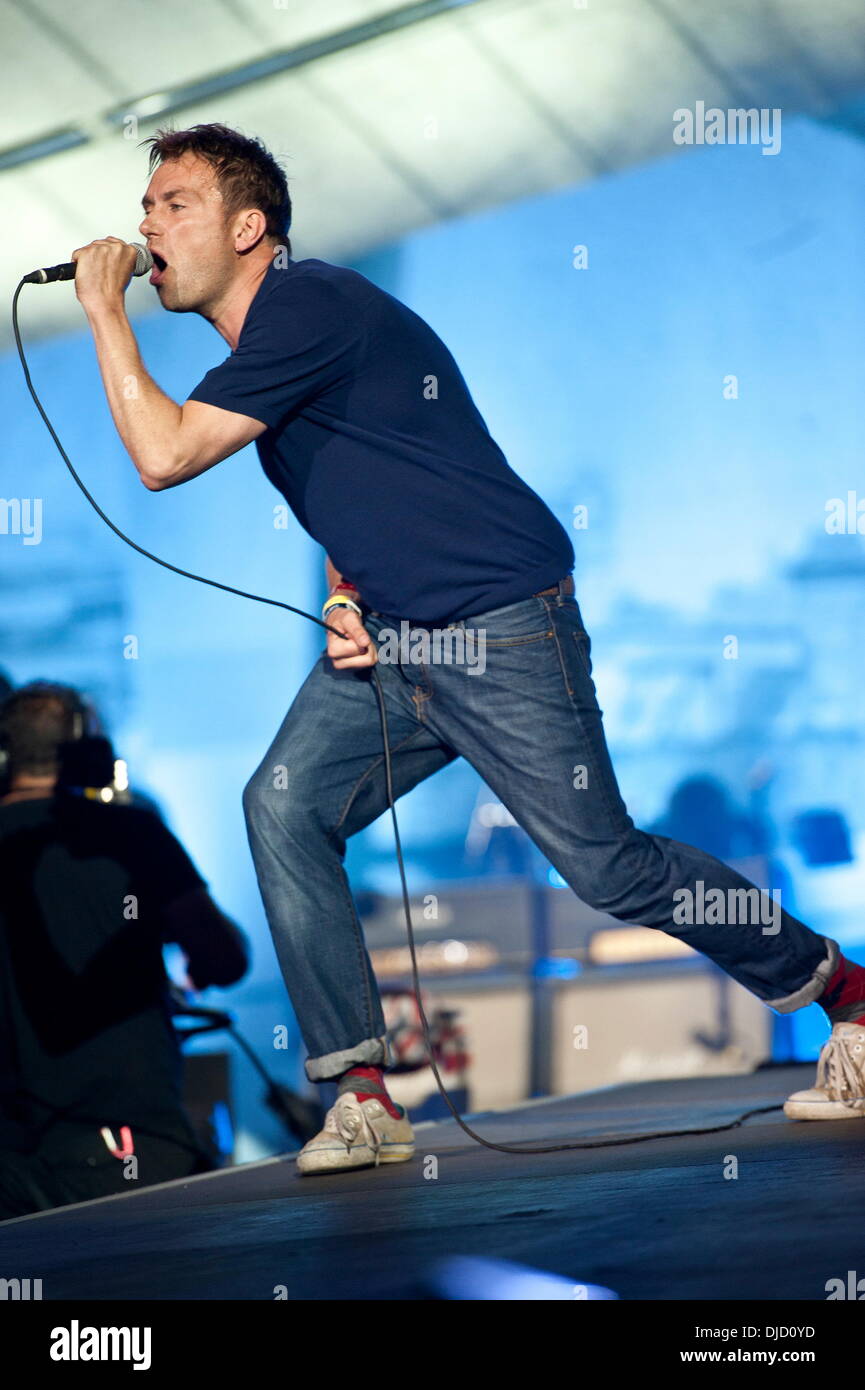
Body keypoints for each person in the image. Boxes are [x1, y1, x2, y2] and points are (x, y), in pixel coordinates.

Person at [69, 122, 865, 1175]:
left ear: (249, 227)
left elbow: (163, 455)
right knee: (282, 806)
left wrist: (101, 310)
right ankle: (361, 1095)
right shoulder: (277, 342)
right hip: (398, 642)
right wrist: (345, 593)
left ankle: (848, 995)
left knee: (607, 869)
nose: (145, 226)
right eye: (146, 206)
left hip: (500, 627)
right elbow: (377, 473)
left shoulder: (307, 303)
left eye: (174, 205)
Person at [0, 681, 250, 1218]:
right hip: (133, 1148)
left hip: (14, 1163)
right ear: (92, 752)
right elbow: (226, 960)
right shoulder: (131, 832)